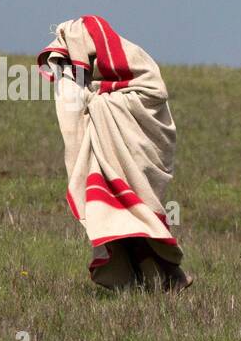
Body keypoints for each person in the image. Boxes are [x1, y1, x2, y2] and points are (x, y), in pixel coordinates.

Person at [37, 15, 191, 291]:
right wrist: (91, 98)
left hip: (130, 159)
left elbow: (153, 95)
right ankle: (143, 285)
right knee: (113, 223)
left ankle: (167, 278)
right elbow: (73, 107)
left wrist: (98, 100)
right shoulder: (87, 87)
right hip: (100, 157)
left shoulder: (138, 67)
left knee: (133, 220)